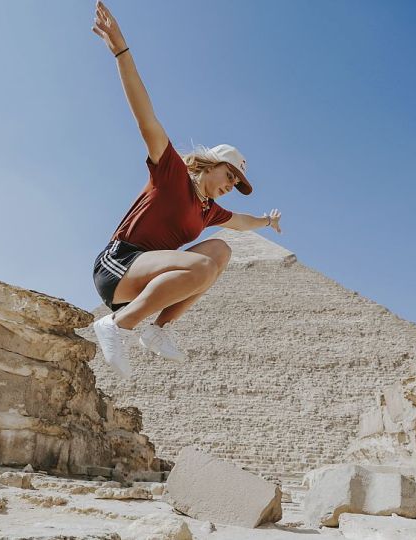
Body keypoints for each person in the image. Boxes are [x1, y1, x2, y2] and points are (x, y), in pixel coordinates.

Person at [90, 1, 283, 379]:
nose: (231, 187)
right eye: (230, 177)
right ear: (211, 165)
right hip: (118, 265)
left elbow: (241, 222)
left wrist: (266, 221)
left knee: (220, 251)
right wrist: (121, 51)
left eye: (236, 184)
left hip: (149, 278)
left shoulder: (209, 209)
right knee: (200, 264)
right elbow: (146, 116)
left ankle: (157, 329)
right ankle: (116, 325)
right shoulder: (170, 171)